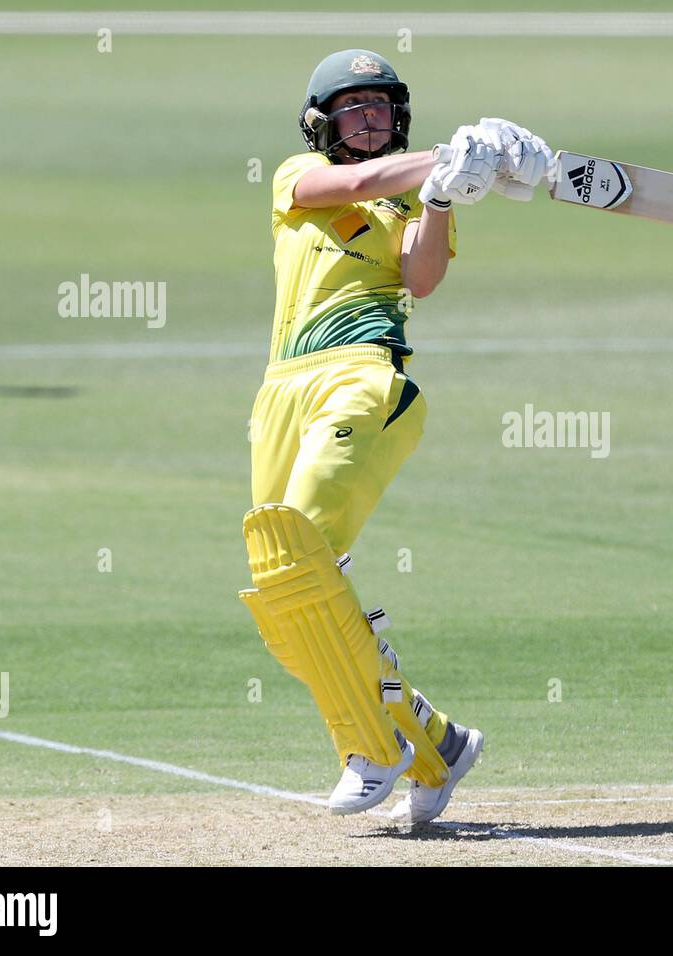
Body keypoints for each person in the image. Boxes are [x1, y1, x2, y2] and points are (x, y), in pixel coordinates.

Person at [236, 49, 552, 825]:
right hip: (282, 389)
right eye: (354, 109)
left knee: (297, 540)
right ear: (322, 124)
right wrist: (442, 162)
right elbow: (348, 185)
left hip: (363, 378)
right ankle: (438, 743)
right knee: (286, 589)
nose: (371, 120)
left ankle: (373, 748)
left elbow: (422, 279)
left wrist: (443, 198)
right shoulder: (294, 178)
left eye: (381, 107)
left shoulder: (411, 204)